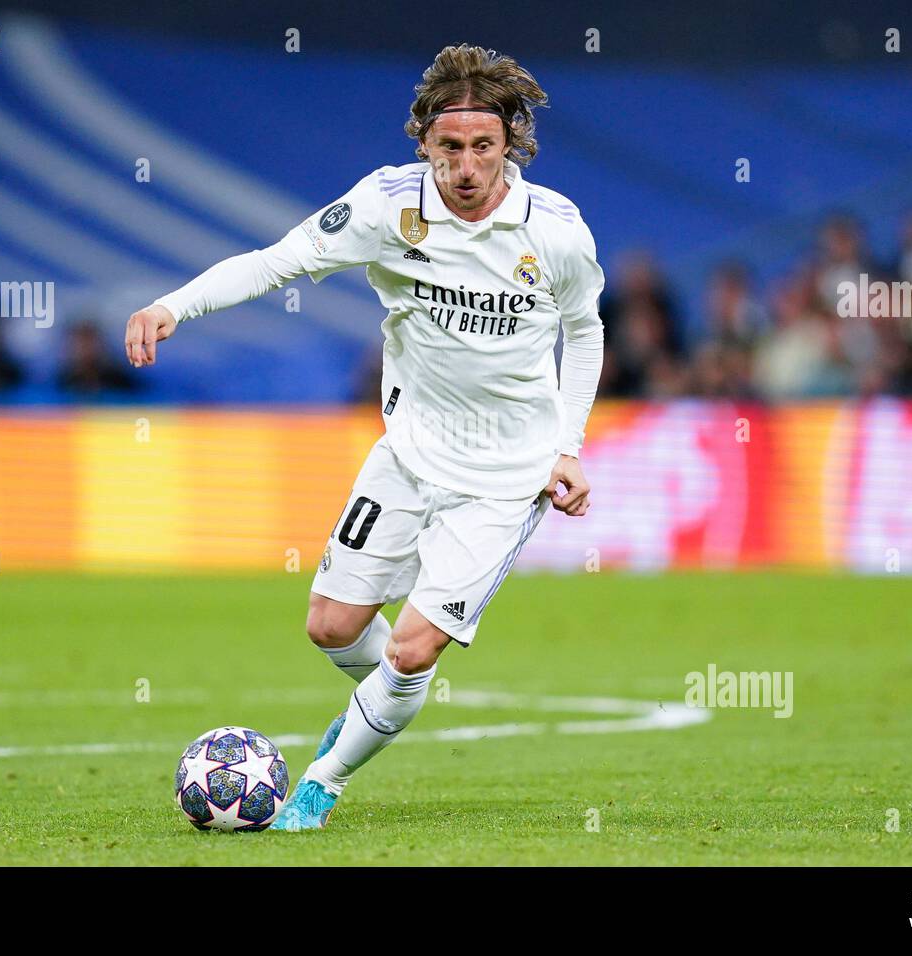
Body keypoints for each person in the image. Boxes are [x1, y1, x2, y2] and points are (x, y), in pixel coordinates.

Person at [124, 44, 605, 830]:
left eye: (483, 147)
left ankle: (322, 781)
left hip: (507, 477)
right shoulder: (386, 208)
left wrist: (568, 447)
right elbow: (278, 262)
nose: (466, 167)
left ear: (510, 143)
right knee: (331, 627)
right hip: (409, 454)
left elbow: (584, 333)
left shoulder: (553, 232)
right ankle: (381, 703)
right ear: (424, 143)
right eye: (450, 148)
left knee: (412, 650)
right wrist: (175, 306)